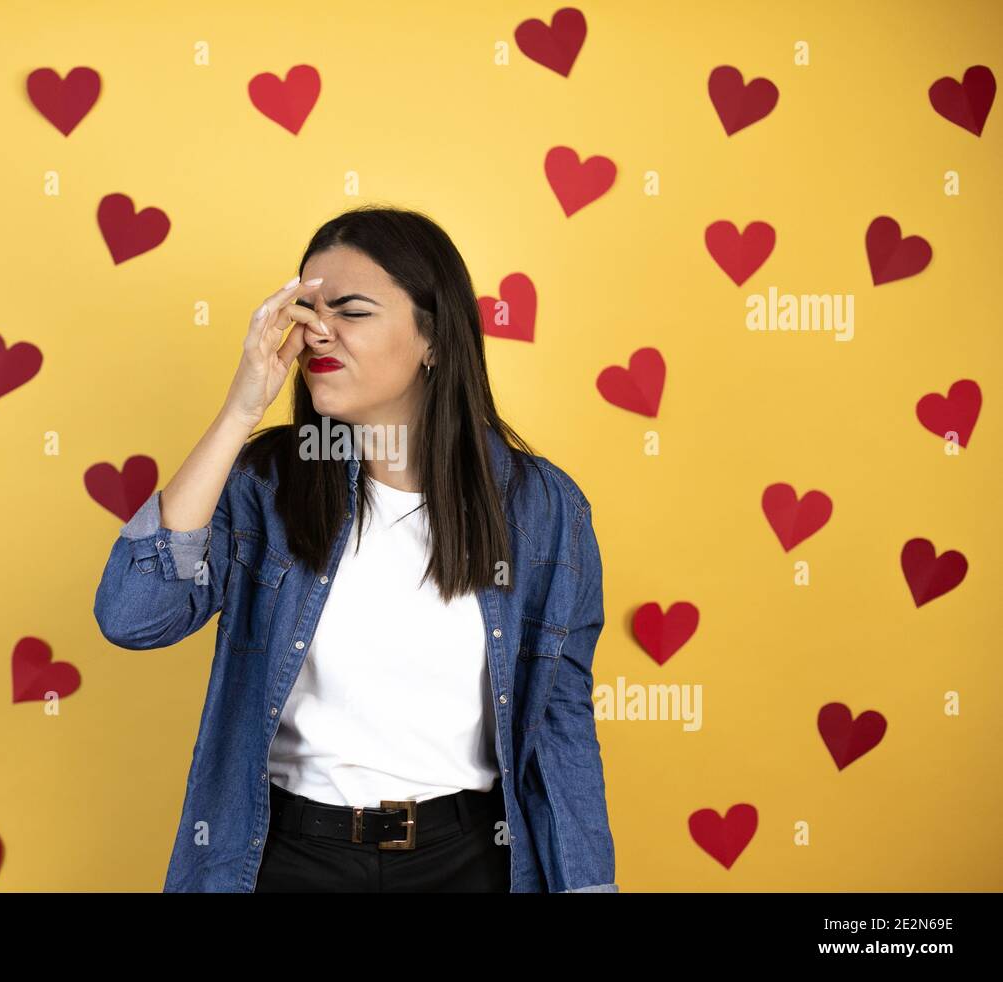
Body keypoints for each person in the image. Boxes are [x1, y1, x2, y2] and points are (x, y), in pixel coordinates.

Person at [94, 205, 617, 893]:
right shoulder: (262, 486)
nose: (317, 333)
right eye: (306, 311)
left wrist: (590, 887)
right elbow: (135, 614)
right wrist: (241, 410)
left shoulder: (543, 508)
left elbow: (559, 728)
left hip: (469, 861)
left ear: (432, 337)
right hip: (288, 859)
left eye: (352, 310)